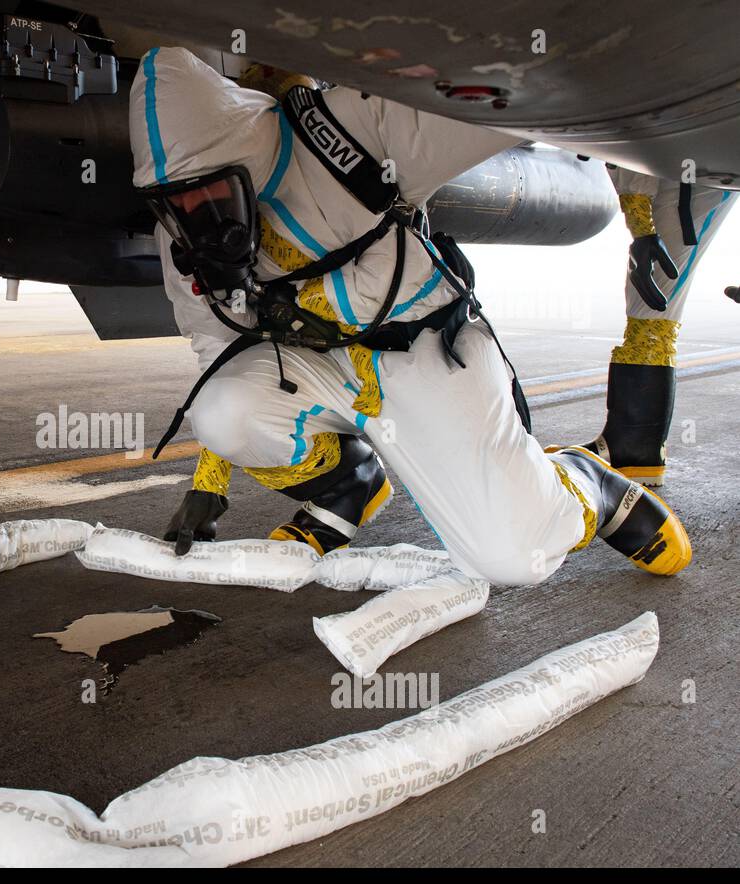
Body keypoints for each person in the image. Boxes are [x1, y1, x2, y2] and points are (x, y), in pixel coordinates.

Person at [133, 47, 691, 584]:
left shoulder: (349, 136)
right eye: (176, 200)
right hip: (317, 370)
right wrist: (211, 478)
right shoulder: (182, 232)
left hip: (423, 357)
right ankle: (348, 484)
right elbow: (216, 347)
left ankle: (583, 485)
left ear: (247, 156)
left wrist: (641, 206)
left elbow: (516, 95)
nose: (193, 214)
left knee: (511, 559)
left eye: (206, 191)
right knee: (222, 411)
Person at [584, 167, 734, 486]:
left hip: (697, 180)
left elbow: (631, 139)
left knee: (652, 315)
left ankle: (634, 448)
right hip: (681, 175)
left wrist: (641, 228)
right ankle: (631, 446)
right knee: (646, 305)